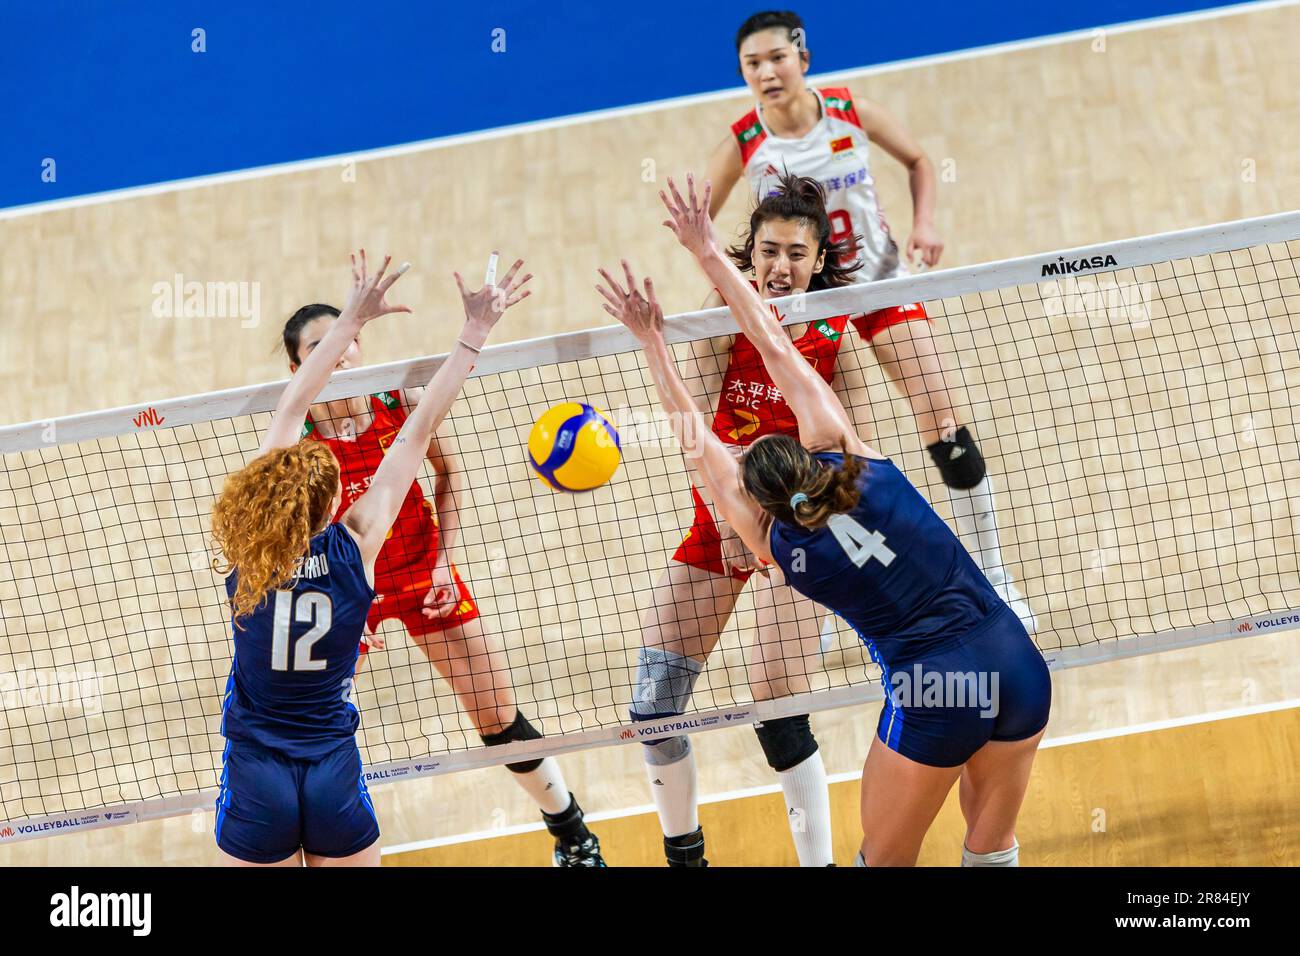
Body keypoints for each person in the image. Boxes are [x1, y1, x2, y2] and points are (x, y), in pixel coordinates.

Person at [597, 176, 1050, 866]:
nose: (781, 265)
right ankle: (684, 848)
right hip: (1014, 660)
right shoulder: (863, 469)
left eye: (796, 253)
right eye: (768, 252)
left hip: (935, 688)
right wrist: (710, 258)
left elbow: (697, 442)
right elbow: (776, 356)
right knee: (990, 843)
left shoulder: (778, 546)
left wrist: (651, 336)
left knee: (877, 843)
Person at [706, 10, 1033, 628]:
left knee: (941, 412)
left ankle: (992, 573)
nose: (766, 73)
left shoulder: (848, 110)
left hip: (875, 284)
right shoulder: (745, 141)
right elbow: (698, 215)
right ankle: (831, 598)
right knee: (823, 452)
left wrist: (925, 222)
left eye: (776, 58)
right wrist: (730, 290)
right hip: (799, 300)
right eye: (752, 64)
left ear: (802, 57)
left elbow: (918, 160)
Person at [211, 250, 528, 865]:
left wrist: (349, 319)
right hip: (330, 762)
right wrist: (473, 333)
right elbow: (420, 426)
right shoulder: (357, 544)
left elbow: (291, 407)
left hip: (258, 766)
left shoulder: (244, 546)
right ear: (334, 499)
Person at [282, 288, 605, 866]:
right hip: (347, 589)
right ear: (296, 366)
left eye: (348, 340)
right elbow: (294, 545)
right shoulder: (297, 443)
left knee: (495, 713)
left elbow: (448, 475)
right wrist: (338, 611)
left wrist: (443, 565)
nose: (341, 353)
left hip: (418, 573)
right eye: (320, 347)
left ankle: (572, 832)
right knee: (316, 734)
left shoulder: (395, 398)